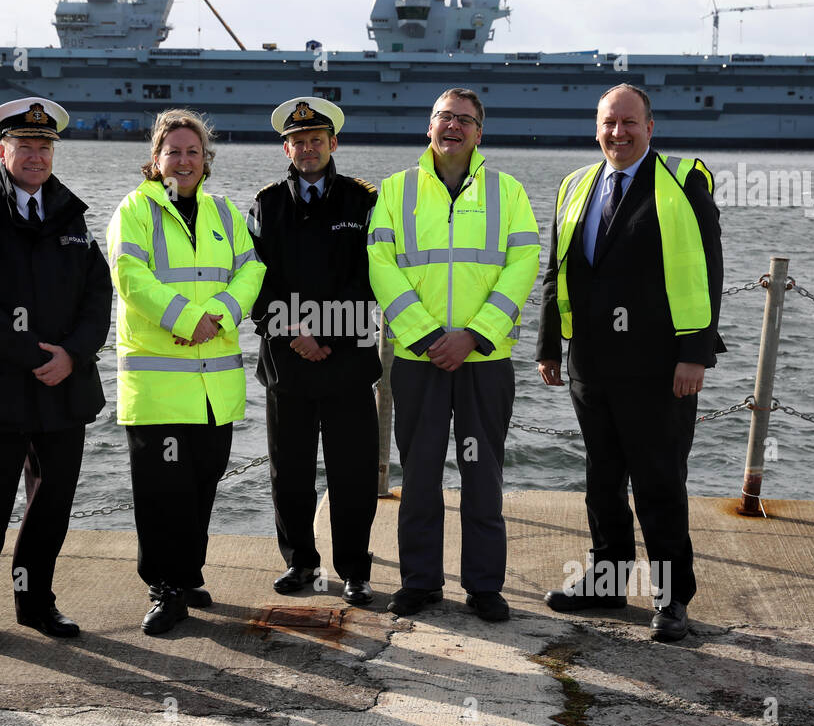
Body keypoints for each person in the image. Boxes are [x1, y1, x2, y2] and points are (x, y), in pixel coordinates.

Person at [536, 83, 724, 643]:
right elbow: (557, 270)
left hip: (660, 365)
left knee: (659, 481)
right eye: (608, 123)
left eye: (628, 123)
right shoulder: (576, 184)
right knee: (602, 479)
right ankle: (608, 581)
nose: (617, 133)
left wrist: (695, 353)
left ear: (649, 127)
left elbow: (707, 268)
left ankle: (671, 598)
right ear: (596, 128)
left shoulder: (683, 181)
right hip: (590, 362)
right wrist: (549, 345)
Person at [0, 96, 112, 651]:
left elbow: (97, 298)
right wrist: (36, 356)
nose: (36, 156)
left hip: (63, 388)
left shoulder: (73, 215)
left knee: (50, 508)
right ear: (3, 150)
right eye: (25, 146)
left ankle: (36, 603)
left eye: (44, 147)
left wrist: (73, 354)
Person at [367, 87, 541, 622]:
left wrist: (475, 335)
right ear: (429, 127)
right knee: (418, 475)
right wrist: (423, 335)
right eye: (443, 117)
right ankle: (420, 581)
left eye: (465, 120)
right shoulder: (395, 191)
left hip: (483, 362)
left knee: (481, 473)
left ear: (479, 133)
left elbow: (524, 263)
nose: (453, 127)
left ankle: (484, 585)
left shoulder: (507, 191)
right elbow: (380, 261)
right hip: (419, 362)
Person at [106, 109, 265, 635]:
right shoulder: (136, 209)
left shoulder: (223, 213)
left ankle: (188, 572)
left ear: (206, 159)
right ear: (155, 159)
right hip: (158, 387)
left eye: (193, 151)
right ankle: (164, 588)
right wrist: (188, 319)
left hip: (213, 386)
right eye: (173, 151)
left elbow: (252, 268)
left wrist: (221, 314)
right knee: (160, 493)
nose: (183, 160)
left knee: (202, 485)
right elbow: (130, 276)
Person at [249, 97, 382, 605]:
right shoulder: (266, 205)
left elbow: (373, 277)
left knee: (352, 470)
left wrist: (325, 333)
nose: (307, 149)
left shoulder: (361, 201)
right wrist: (295, 333)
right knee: (292, 472)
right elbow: (257, 281)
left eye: (316, 141)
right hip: (287, 362)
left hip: (347, 359)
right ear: (287, 146)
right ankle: (300, 563)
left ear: (333, 144)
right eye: (298, 142)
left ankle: (354, 569)